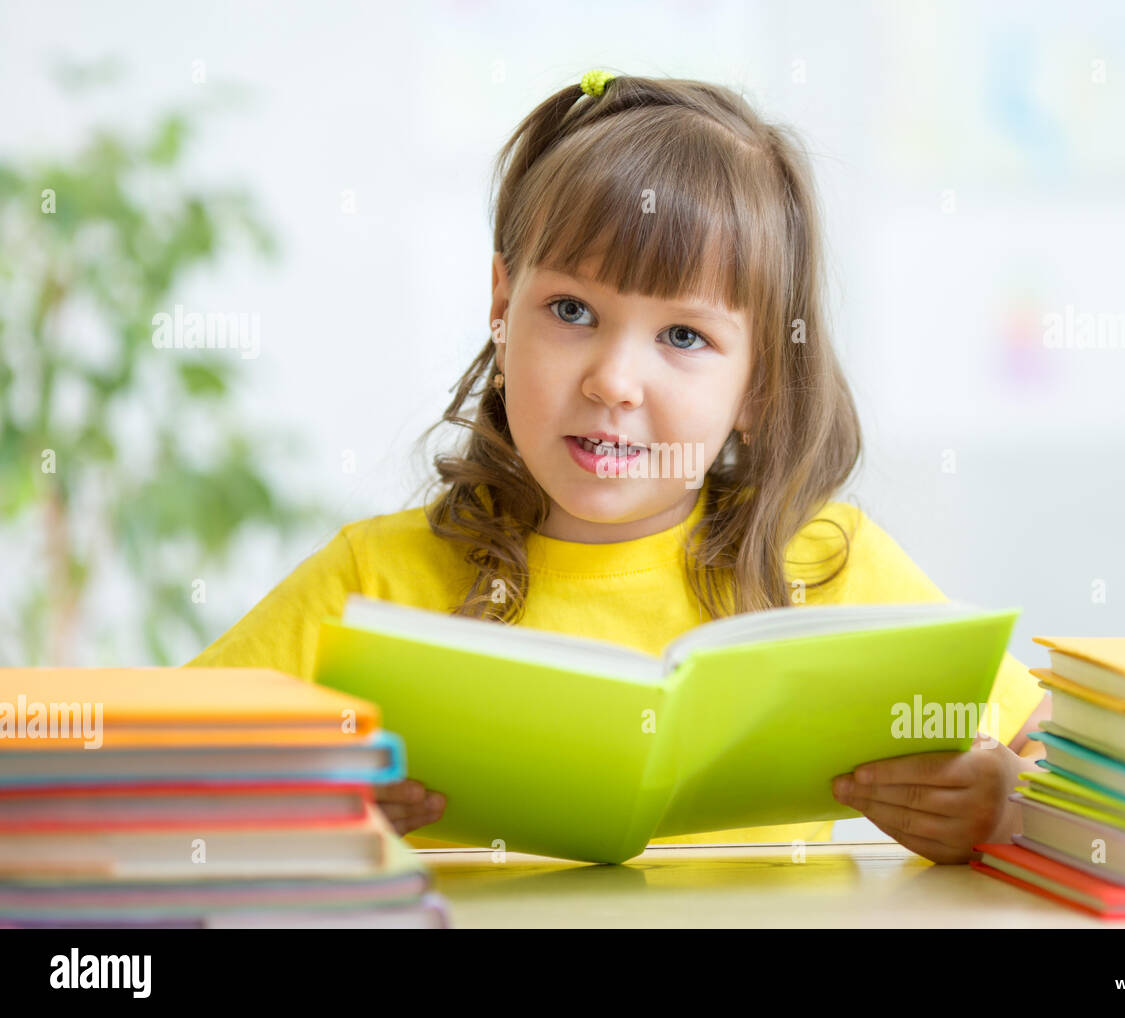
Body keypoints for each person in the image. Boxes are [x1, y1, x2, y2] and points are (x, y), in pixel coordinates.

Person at [187, 70, 1050, 864]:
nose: (612, 380)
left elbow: (1067, 756)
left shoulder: (830, 568)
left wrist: (1010, 809)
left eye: (684, 336)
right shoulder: (370, 585)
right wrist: (293, 815)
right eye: (572, 310)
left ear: (759, 383)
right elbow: (149, 773)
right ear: (500, 307)